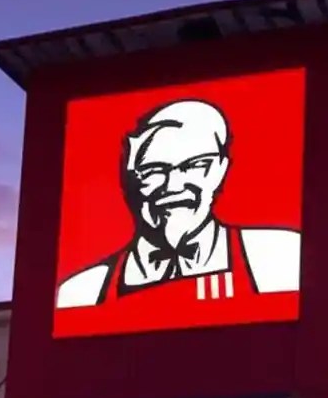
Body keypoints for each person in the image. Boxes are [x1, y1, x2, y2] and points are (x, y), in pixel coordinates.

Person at [56, 100, 299, 309]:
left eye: (195, 166)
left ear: (220, 170)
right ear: (132, 179)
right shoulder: (83, 292)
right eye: (154, 170)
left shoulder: (277, 257)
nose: (173, 185)